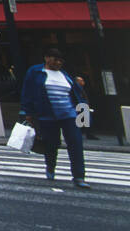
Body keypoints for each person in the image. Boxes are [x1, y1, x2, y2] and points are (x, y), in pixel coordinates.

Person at [20, 47, 89, 188]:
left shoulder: (65, 75)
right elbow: (27, 92)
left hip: (69, 115)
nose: (58, 63)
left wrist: (84, 117)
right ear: (46, 58)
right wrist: (27, 112)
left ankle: (79, 176)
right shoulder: (35, 72)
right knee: (51, 144)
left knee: (76, 144)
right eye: (55, 59)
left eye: (60, 60)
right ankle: (50, 168)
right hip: (47, 115)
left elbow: (77, 95)